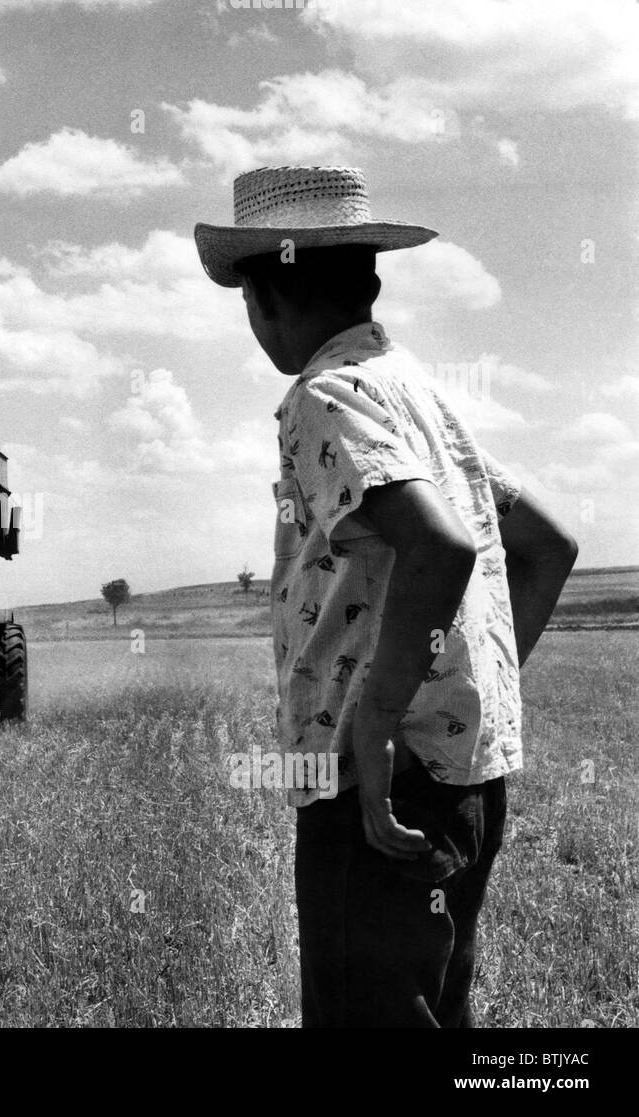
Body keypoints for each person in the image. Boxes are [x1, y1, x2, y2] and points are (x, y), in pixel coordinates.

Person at [194, 166, 578, 1027]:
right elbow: (548, 545)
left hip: (371, 784)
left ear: (262, 303)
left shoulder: (323, 397)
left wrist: (376, 722)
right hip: (460, 781)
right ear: (370, 281)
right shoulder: (420, 394)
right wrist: (461, 693)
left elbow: (439, 546)